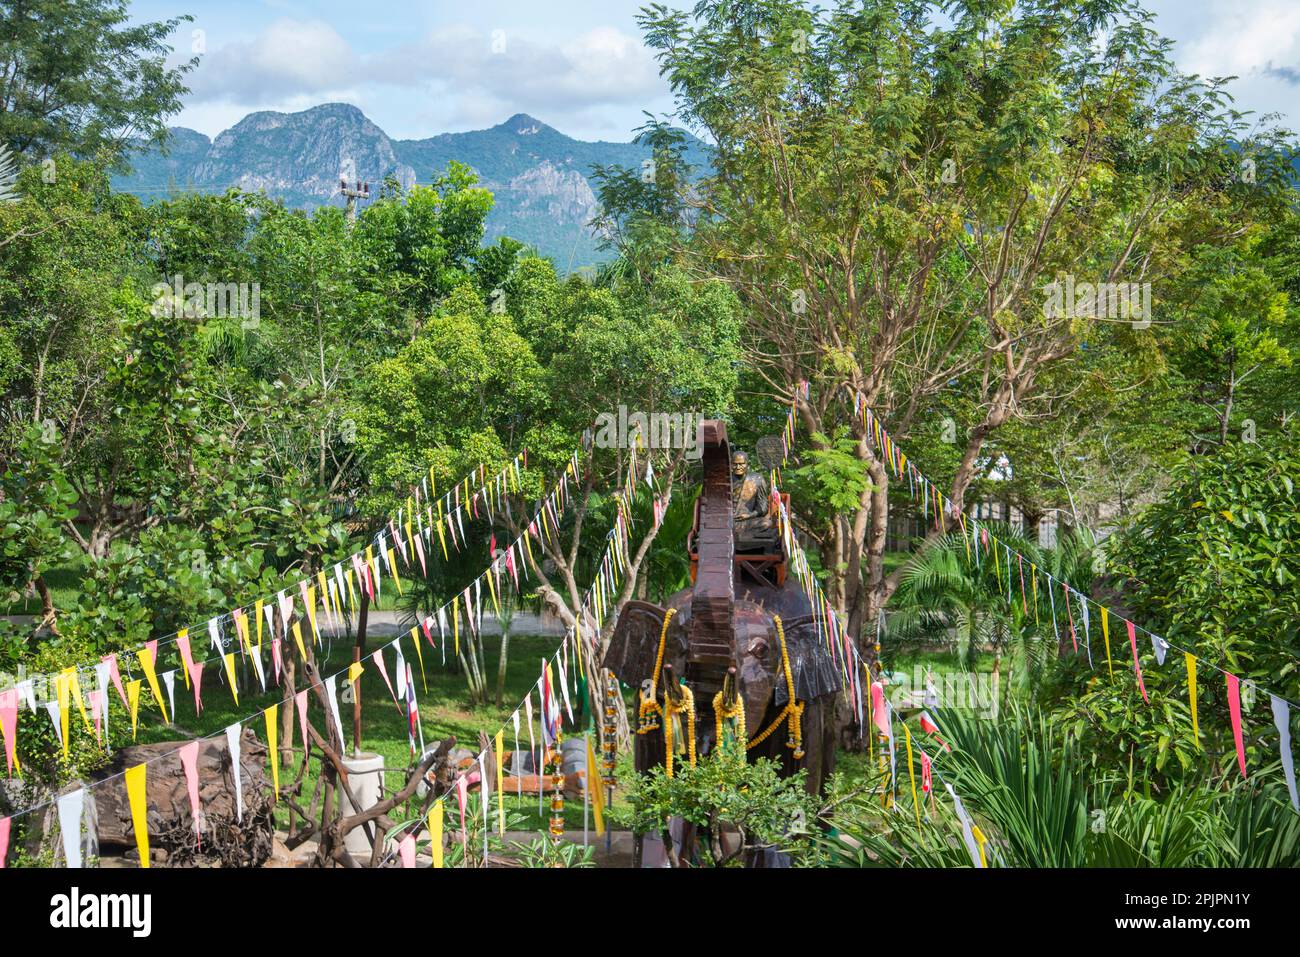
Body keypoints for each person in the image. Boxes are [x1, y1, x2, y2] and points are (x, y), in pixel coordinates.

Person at [731, 450, 775, 550]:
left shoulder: (756, 479)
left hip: (747, 522)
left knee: (766, 523)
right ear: (731, 464)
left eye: (741, 464)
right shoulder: (726, 479)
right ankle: (738, 537)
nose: (738, 467)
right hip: (727, 522)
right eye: (735, 464)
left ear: (747, 464)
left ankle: (739, 538)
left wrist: (749, 515)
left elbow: (763, 507)